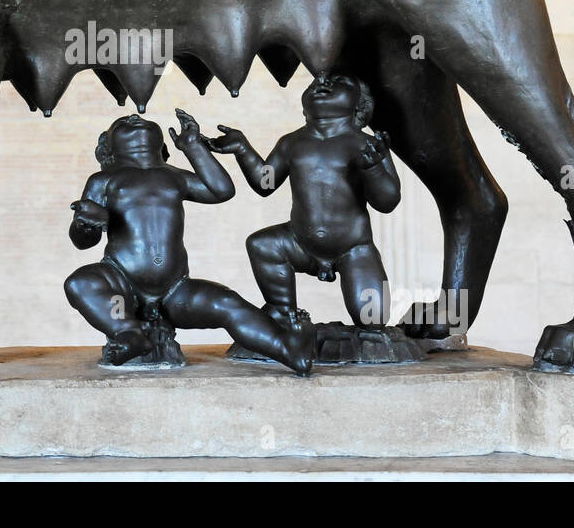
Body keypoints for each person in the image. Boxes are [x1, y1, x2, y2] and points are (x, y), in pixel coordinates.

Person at [65, 110, 313, 375]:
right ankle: (128, 331)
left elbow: (220, 190)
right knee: (80, 283)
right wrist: (87, 223)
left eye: (137, 119)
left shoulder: (174, 176)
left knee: (228, 304)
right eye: (123, 123)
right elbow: (82, 242)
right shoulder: (103, 180)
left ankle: (289, 350)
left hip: (176, 290)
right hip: (122, 284)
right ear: (109, 149)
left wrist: (194, 147)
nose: (134, 117)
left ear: (161, 146)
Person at [208, 75, 400, 329]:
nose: (322, 83)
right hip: (298, 242)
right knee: (262, 245)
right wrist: (242, 149)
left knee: (373, 319)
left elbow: (387, 202)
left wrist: (373, 168)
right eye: (314, 83)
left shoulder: (367, 145)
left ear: (359, 104)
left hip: (354, 248)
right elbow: (266, 184)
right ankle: (283, 312)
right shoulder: (291, 143)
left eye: (340, 82)